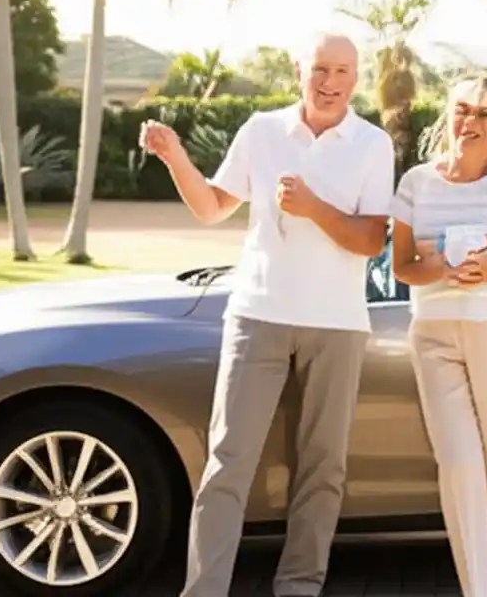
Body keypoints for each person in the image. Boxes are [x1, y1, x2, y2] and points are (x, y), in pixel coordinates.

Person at [139, 33, 395, 597]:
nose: (330, 82)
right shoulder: (261, 131)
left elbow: (371, 240)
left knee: (323, 466)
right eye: (320, 69)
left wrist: (313, 207)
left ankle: (299, 585)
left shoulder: (373, 145)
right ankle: (204, 590)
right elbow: (212, 207)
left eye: (343, 71)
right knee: (228, 460)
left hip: (337, 325)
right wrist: (175, 156)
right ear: (299, 70)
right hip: (257, 315)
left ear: (356, 78)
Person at [389, 74, 487, 597]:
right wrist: (438, 266)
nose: (470, 122)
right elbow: (402, 267)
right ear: (447, 115)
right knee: (459, 468)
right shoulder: (416, 182)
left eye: (483, 113)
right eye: (462, 109)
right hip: (433, 335)